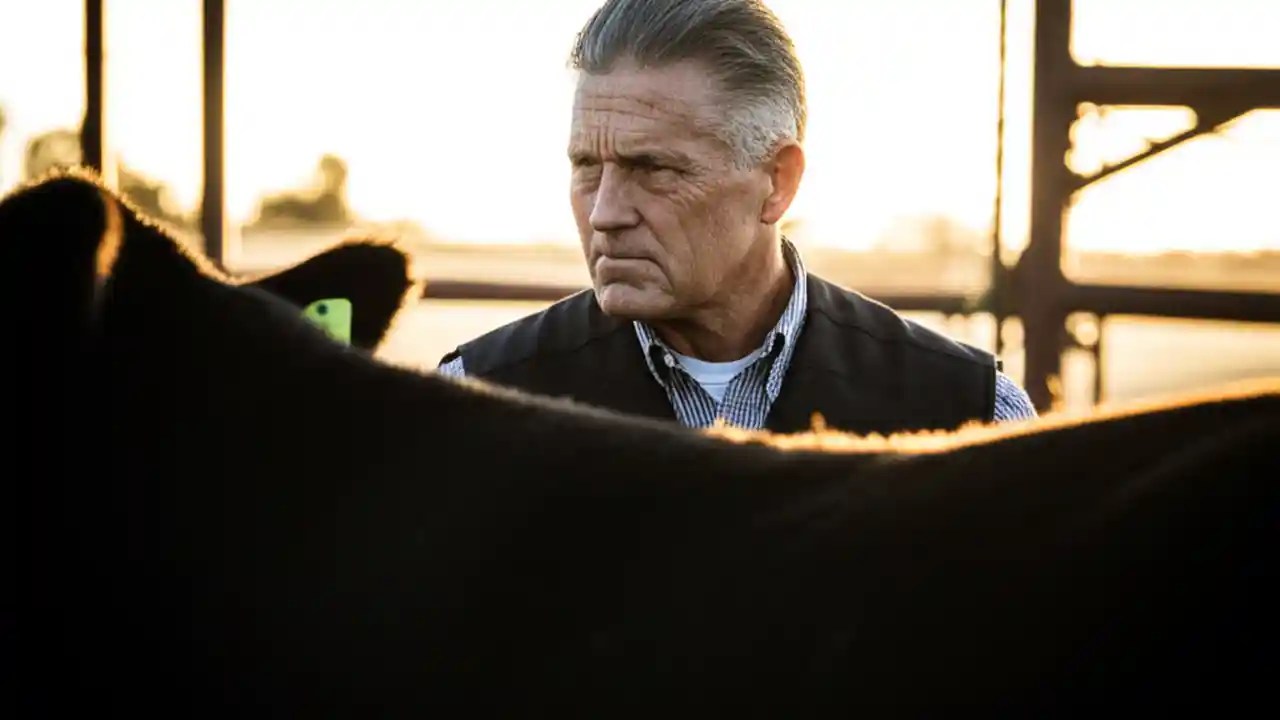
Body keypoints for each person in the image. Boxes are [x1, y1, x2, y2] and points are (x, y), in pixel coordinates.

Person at [437, 0, 1036, 435]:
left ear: (778, 182)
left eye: (654, 168)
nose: (605, 212)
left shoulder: (975, 413)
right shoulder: (474, 399)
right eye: (587, 166)